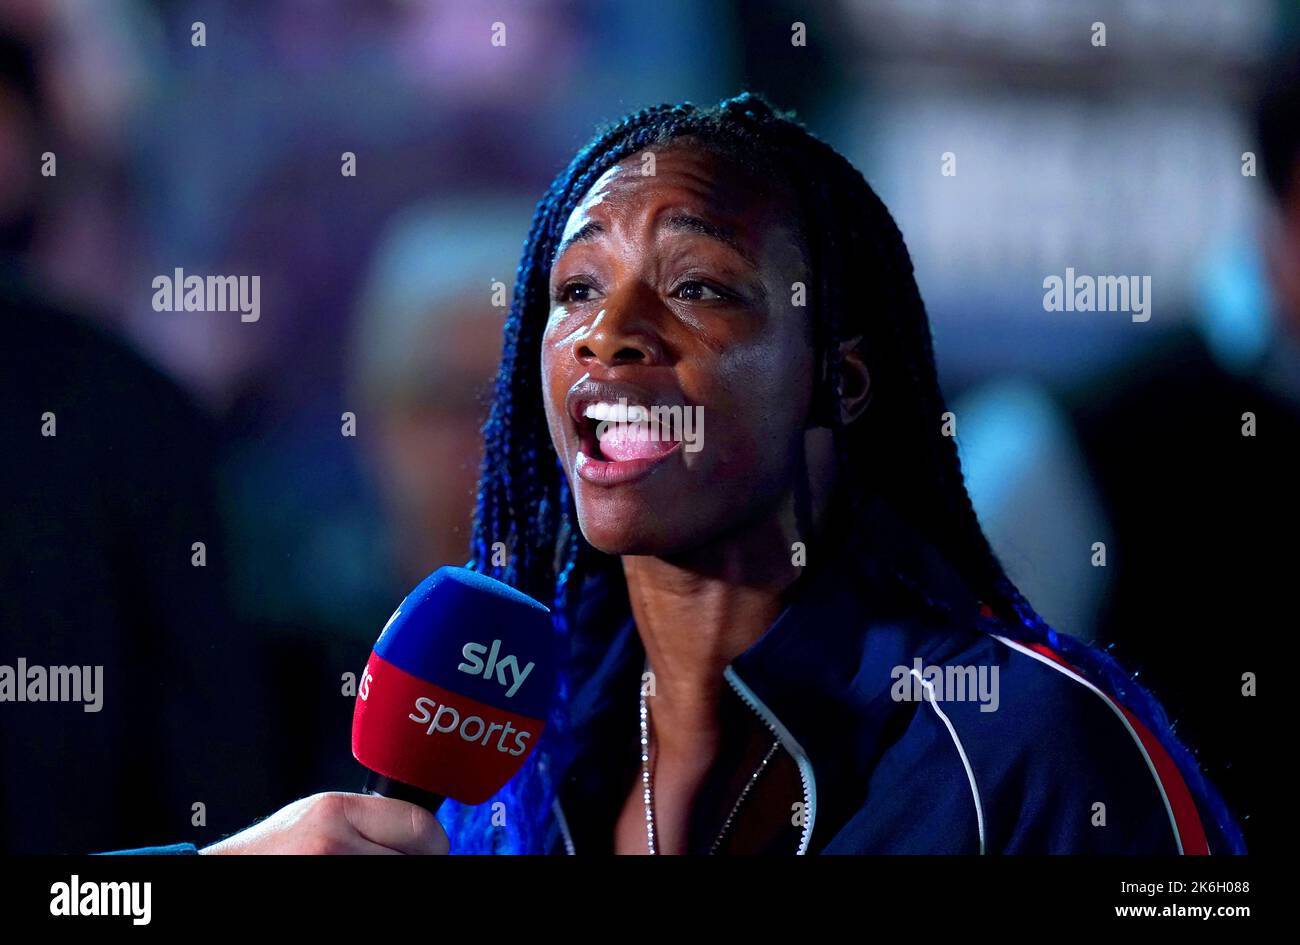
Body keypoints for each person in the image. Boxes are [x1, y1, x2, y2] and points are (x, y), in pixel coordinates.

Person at [111, 93, 1244, 855]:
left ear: (836, 382)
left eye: (698, 285)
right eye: (575, 291)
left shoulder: (1026, 740)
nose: (610, 335)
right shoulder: (506, 768)